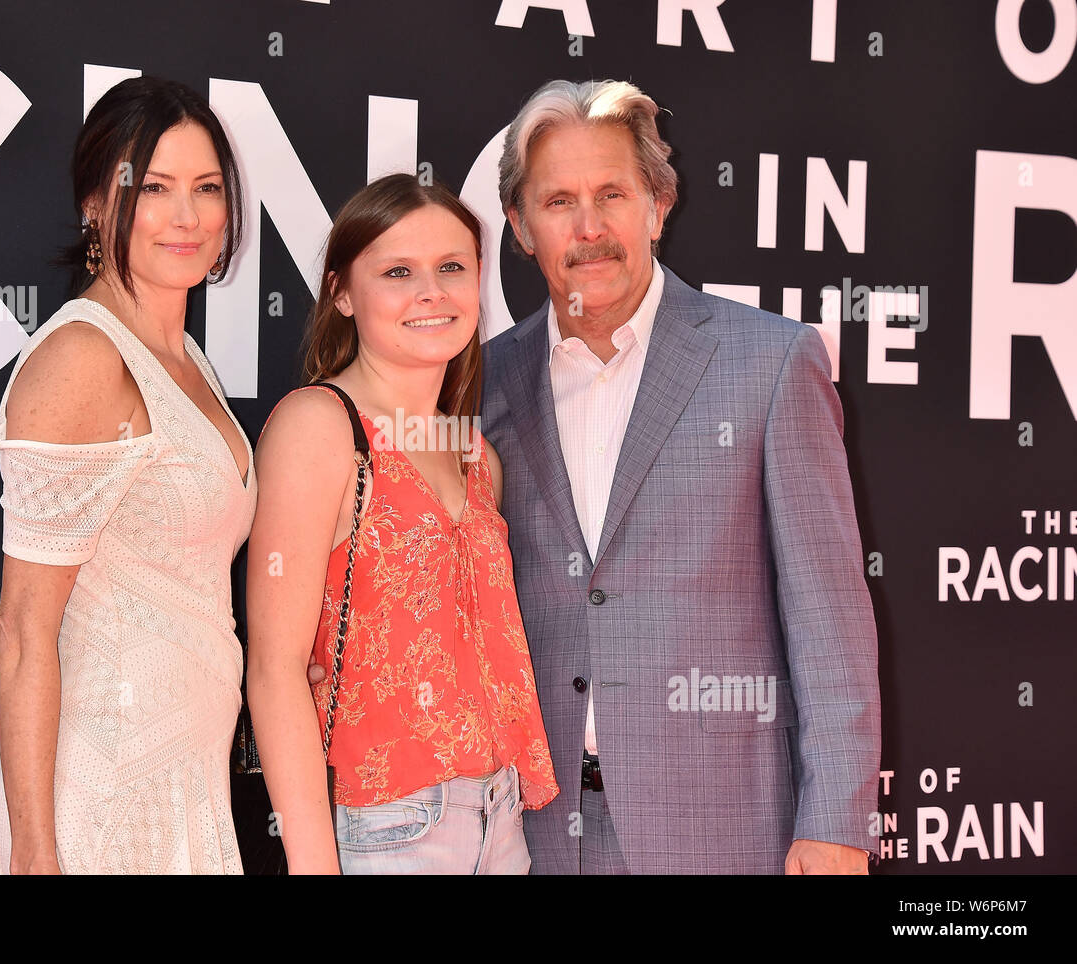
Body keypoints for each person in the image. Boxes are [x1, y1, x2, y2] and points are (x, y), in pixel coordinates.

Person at [480, 79, 881, 874]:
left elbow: (831, 620)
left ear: (658, 205)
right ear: (522, 227)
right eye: (558, 201)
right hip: (534, 832)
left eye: (612, 194)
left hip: (722, 831)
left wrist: (836, 819)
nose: (589, 227)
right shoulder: (481, 384)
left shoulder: (770, 362)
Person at [0, 77, 253, 874]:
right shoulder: (82, 359)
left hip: (181, 787)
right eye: (154, 188)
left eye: (206, 188)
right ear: (97, 202)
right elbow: (25, 631)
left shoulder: (187, 359)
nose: (187, 217)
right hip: (96, 801)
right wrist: (34, 852)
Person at [246, 173, 559, 874]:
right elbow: (274, 669)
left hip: (501, 818)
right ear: (343, 293)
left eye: (452, 267)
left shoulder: (475, 453)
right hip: (383, 825)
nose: (431, 292)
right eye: (397, 271)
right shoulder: (317, 427)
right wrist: (313, 864)